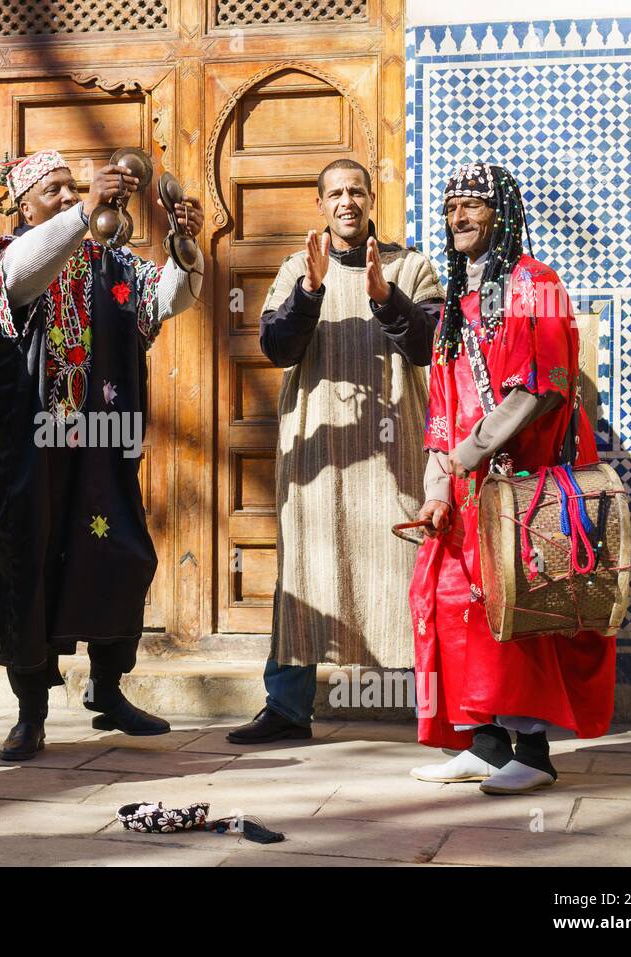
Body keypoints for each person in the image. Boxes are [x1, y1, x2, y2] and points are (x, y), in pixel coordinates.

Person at [0, 149, 204, 760]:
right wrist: (84, 212)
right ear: (23, 205)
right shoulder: (5, 256)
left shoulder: (112, 262)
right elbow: (25, 272)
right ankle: (31, 712)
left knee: (114, 551)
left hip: (101, 440)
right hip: (30, 451)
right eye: (54, 190)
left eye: (75, 188)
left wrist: (184, 244)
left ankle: (108, 688)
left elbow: (166, 300)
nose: (70, 198)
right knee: (31, 564)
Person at [408, 162, 612, 795]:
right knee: (451, 602)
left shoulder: (536, 284)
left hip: (520, 483)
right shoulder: (456, 305)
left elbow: (542, 389)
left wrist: (470, 454)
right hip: (466, 486)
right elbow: (440, 406)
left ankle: (533, 751)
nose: (459, 217)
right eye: (451, 207)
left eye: (473, 205)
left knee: (516, 608)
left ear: (502, 214)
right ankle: (485, 741)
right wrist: (436, 488)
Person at [227, 159, 444, 744]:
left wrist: (385, 297)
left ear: (371, 200)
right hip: (318, 454)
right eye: (335, 194)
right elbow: (275, 346)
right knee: (306, 567)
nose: (346, 202)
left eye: (356, 191)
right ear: (320, 205)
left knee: (410, 571)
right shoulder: (298, 267)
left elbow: (429, 347)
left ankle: (441, 710)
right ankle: (288, 708)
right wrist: (311, 292)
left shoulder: (413, 266)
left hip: (394, 453)